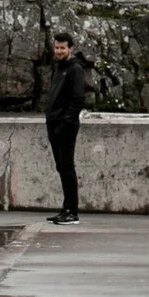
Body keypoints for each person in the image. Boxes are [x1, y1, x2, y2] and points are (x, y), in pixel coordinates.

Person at [44, 32, 90, 225]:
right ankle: (66, 208)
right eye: (56, 47)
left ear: (70, 48)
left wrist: (65, 122)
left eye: (62, 48)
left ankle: (72, 212)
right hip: (54, 124)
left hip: (66, 126)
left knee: (67, 167)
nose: (59, 51)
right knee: (61, 167)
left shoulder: (75, 69)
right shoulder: (58, 68)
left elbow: (78, 98)